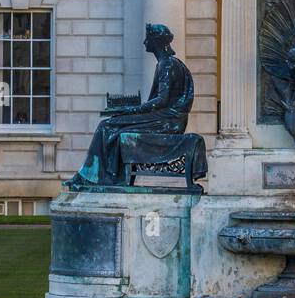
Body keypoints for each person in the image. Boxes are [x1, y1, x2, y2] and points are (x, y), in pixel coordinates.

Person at [66, 23, 202, 189]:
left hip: (167, 122)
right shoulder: (168, 63)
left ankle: (95, 177)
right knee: (112, 124)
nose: (145, 42)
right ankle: (98, 175)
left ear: (155, 42)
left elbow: (162, 100)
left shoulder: (167, 64)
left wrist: (131, 110)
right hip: (167, 118)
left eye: (147, 39)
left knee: (106, 126)